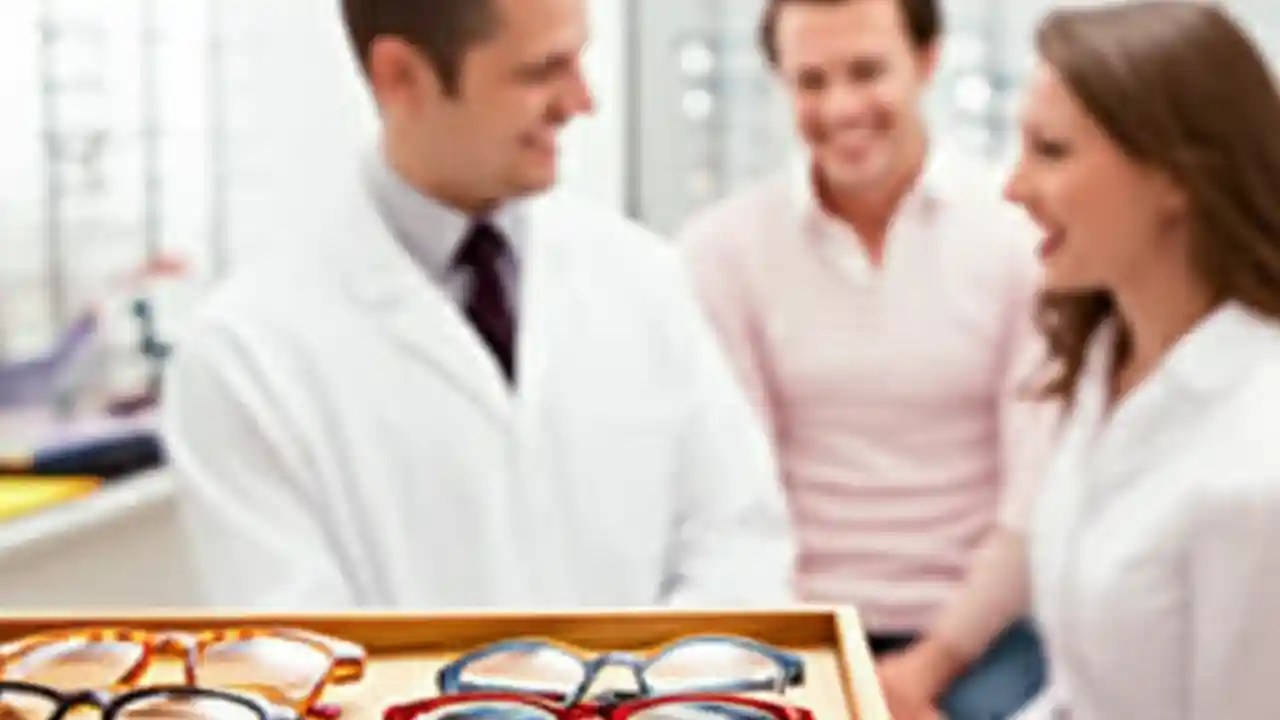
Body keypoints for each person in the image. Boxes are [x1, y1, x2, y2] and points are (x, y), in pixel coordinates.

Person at [161, 0, 794, 609]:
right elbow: (296, 652)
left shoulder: (642, 276)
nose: (583, 101)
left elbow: (738, 544)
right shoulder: (245, 354)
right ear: (401, 77)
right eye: (541, 71)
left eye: (580, 60)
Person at [678, 0, 1055, 717]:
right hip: (791, 627)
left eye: (866, 73)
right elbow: (735, 495)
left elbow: (1035, 498)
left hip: (980, 636)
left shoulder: (1019, 239)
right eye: (810, 82)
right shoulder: (723, 251)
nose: (841, 106)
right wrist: (816, 668)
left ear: (927, 61)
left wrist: (927, 669)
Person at [1003, 3, 1280, 718]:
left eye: (1052, 151)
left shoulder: (1259, 464)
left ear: (1174, 178)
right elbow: (1080, 694)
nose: (1014, 187)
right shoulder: (1106, 362)